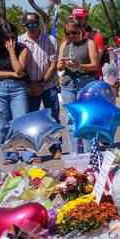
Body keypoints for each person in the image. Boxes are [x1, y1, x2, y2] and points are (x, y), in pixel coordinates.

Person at [56, 18, 101, 153]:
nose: (71, 36)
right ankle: (74, 153)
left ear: (80, 30)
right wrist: (63, 64)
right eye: (67, 33)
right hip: (69, 84)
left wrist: (79, 65)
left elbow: (95, 65)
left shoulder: (89, 43)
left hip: (85, 83)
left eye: (74, 33)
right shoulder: (65, 45)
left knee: (86, 118)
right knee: (71, 119)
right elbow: (58, 67)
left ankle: (89, 153)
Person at [18, 15, 60, 157]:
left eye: (35, 23)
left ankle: (56, 148)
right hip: (28, 87)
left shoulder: (50, 39)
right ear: (25, 26)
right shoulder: (19, 41)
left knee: (52, 118)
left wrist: (41, 84)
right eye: (29, 24)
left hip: (49, 85)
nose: (33, 27)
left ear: (39, 24)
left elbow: (53, 63)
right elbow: (19, 67)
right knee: (30, 120)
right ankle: (32, 151)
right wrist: (31, 84)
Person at [0, 21, 28, 162]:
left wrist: (11, 51)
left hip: (18, 88)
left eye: (13, 37)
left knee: (21, 121)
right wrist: (10, 74)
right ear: (1, 37)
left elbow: (19, 69)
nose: (10, 41)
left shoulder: (22, 49)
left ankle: (28, 155)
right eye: (7, 38)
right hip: (0, 88)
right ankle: (10, 155)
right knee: (4, 124)